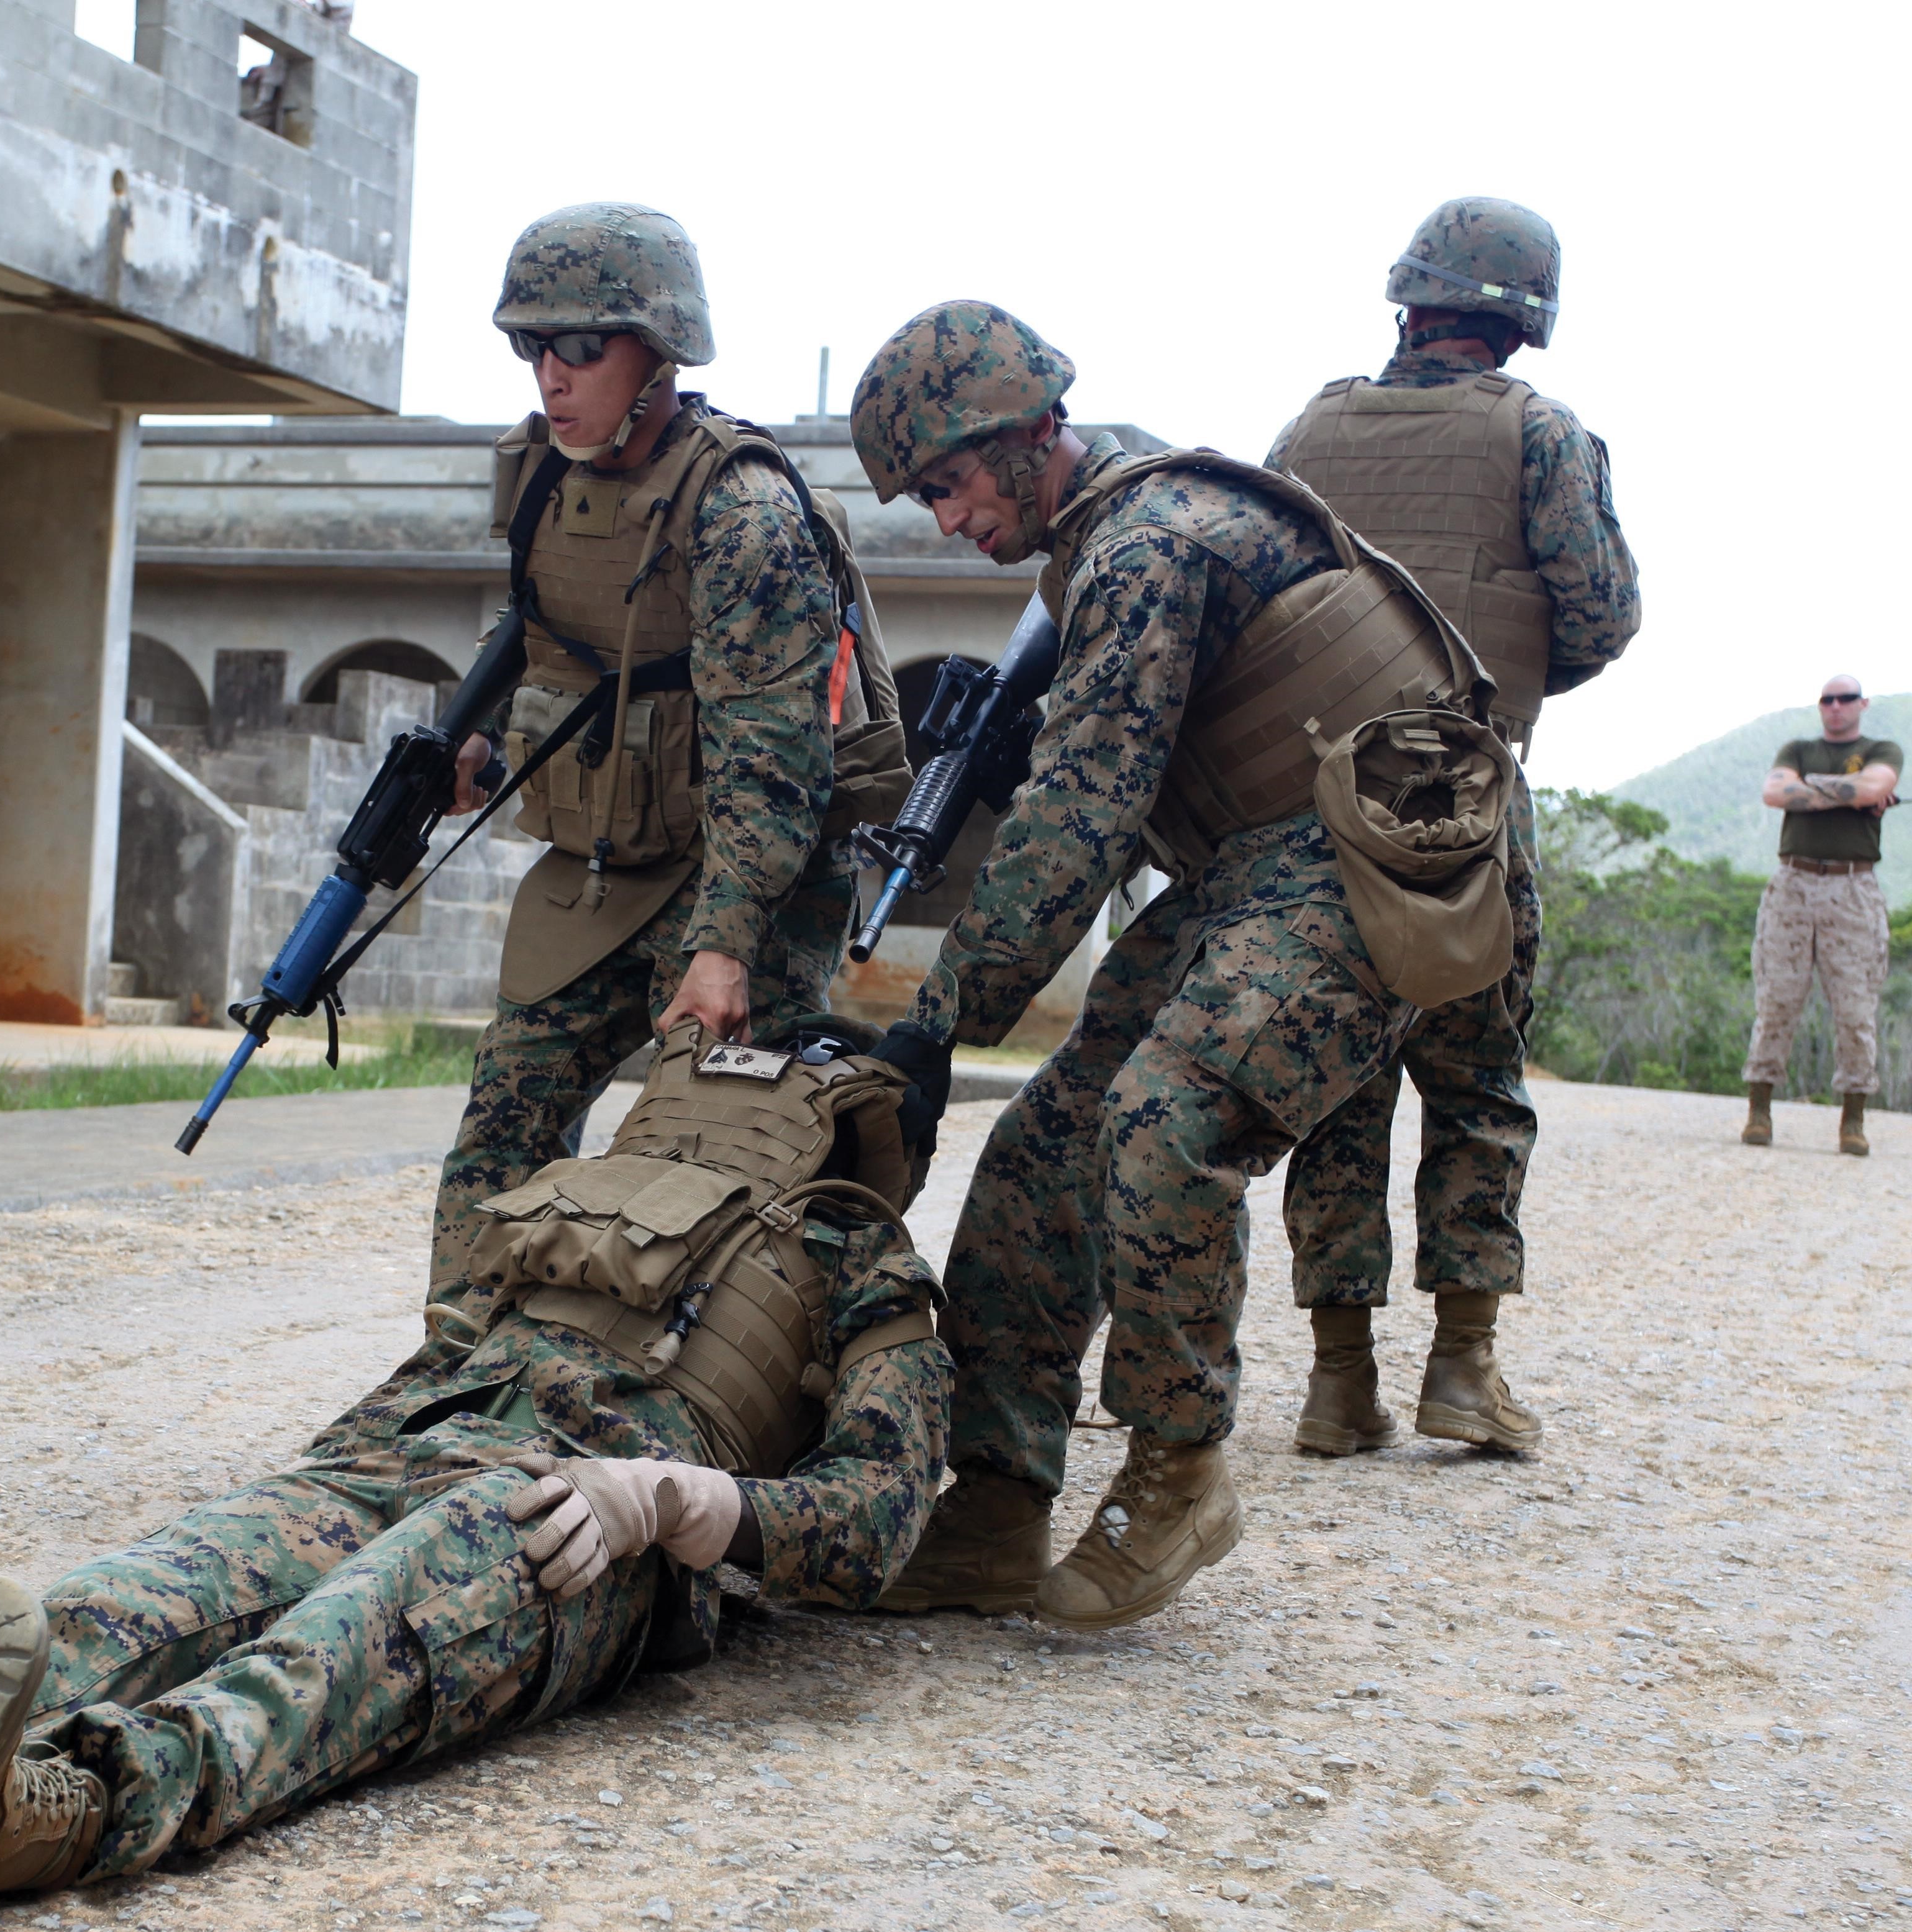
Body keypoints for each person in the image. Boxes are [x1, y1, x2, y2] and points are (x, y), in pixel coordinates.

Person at [0, 1023, 947, 1926]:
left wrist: (682, 1505)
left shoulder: (854, 1252)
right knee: (134, 1592)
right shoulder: (587, 1192)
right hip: (397, 1443)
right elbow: (453, 1328)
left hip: (581, 1524)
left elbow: (879, 1512)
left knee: (337, 1646)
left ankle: (45, 1813)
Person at [845, 302, 1500, 1635]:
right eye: (923, 496)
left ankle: (1178, 1467)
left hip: (1368, 857)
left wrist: (934, 1028)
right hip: (1256, 863)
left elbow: (1078, 818)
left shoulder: (1149, 548)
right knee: (1044, 1143)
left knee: (1166, 1120)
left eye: (951, 483)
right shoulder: (1105, 544)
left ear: (1029, 437)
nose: (944, 519)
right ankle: (994, 1499)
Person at [426, 204, 909, 1307]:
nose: (551, 374)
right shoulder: (544, 476)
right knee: (502, 1128)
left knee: (726, 1160)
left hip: (751, 875)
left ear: (661, 347)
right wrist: (485, 743)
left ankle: (757, 1380)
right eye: (530, 345)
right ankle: (455, 1372)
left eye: (581, 346)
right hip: (605, 861)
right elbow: (554, 646)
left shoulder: (745, 516)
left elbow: (775, 765)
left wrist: (725, 947)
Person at [1267, 197, 1641, 1457]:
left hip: (1321, 804)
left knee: (1338, 1085)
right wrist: (1490, 687)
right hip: (1470, 801)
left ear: (1410, 299)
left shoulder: (1311, 428)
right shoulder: (1542, 434)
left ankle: (1336, 1386)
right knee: (1476, 1083)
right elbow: (1601, 613)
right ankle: (1465, 1373)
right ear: (1523, 317)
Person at [1742, 676, 1901, 1156]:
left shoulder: (1883, 748)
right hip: (1793, 883)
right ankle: (1759, 1112)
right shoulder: (1798, 748)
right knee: (1776, 1001)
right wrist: (1850, 795)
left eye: (1845, 698)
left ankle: (1853, 1120)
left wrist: (1813, 790)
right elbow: (1775, 793)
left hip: (1854, 888)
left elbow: (1876, 783)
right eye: (1827, 699)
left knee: (1856, 1009)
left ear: (1862, 704)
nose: (1835, 707)